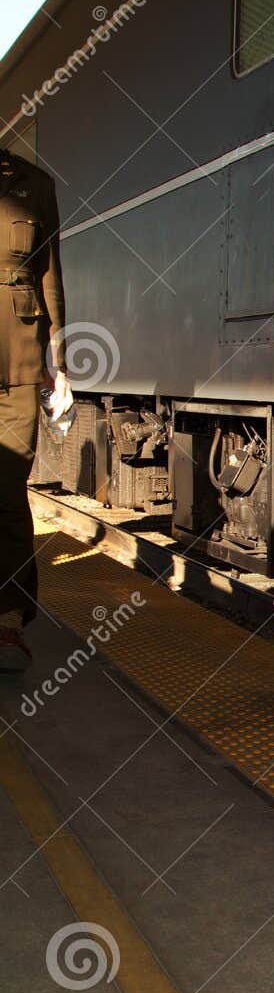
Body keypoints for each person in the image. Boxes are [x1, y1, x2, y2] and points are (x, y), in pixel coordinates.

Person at [0, 142, 71, 672]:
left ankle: (7, 621)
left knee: (7, 490)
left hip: (21, 357)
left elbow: (50, 276)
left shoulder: (33, 183)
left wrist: (59, 361)